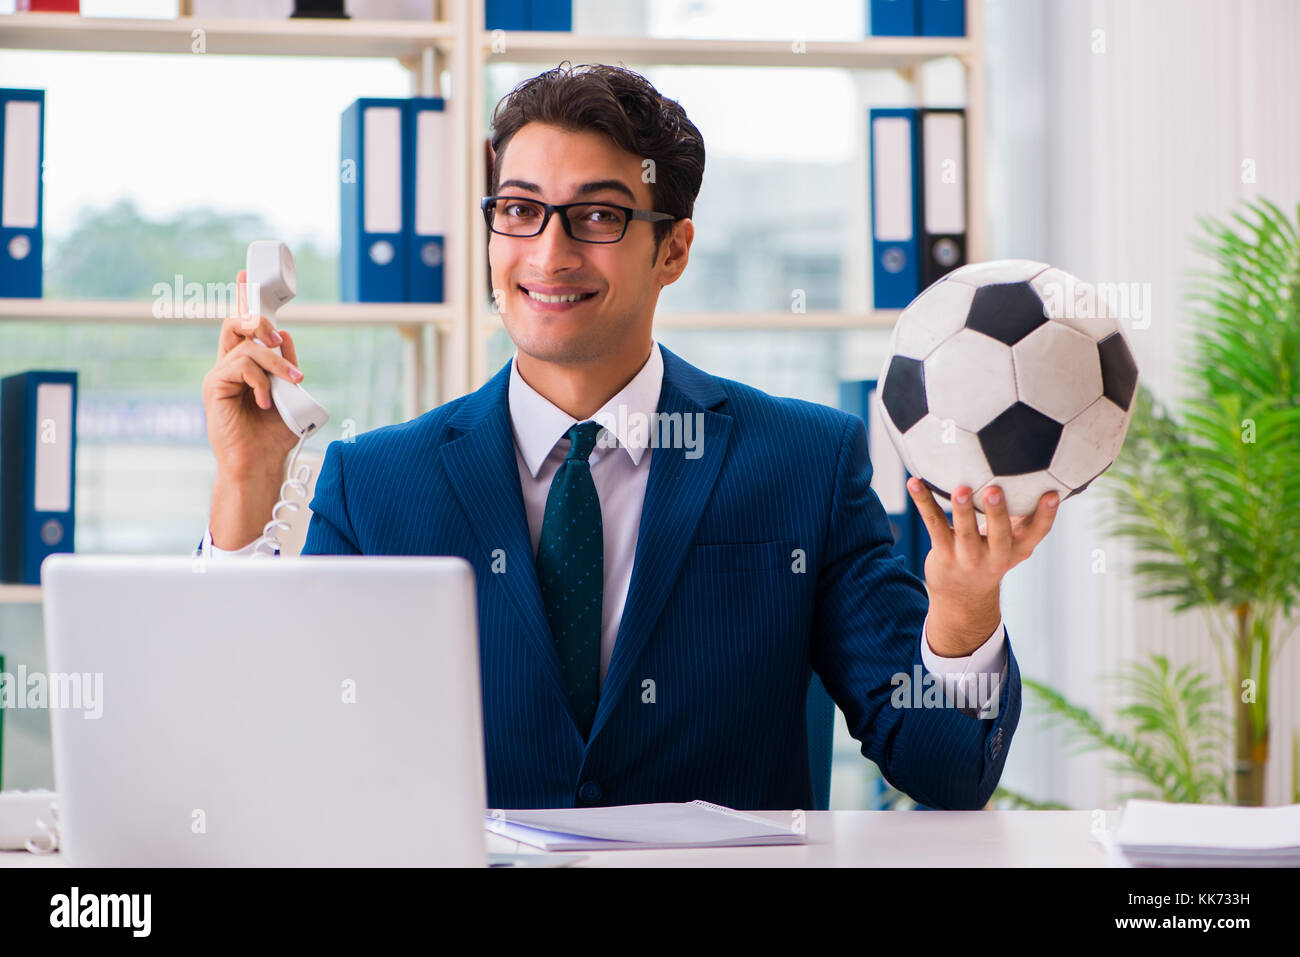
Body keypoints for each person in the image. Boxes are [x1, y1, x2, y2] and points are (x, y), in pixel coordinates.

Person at [198, 62, 1059, 810]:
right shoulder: (375, 480)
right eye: (520, 211)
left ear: (674, 249)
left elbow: (945, 772)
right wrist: (247, 485)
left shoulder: (806, 463)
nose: (549, 254)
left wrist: (962, 609)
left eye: (599, 217)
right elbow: (260, 744)